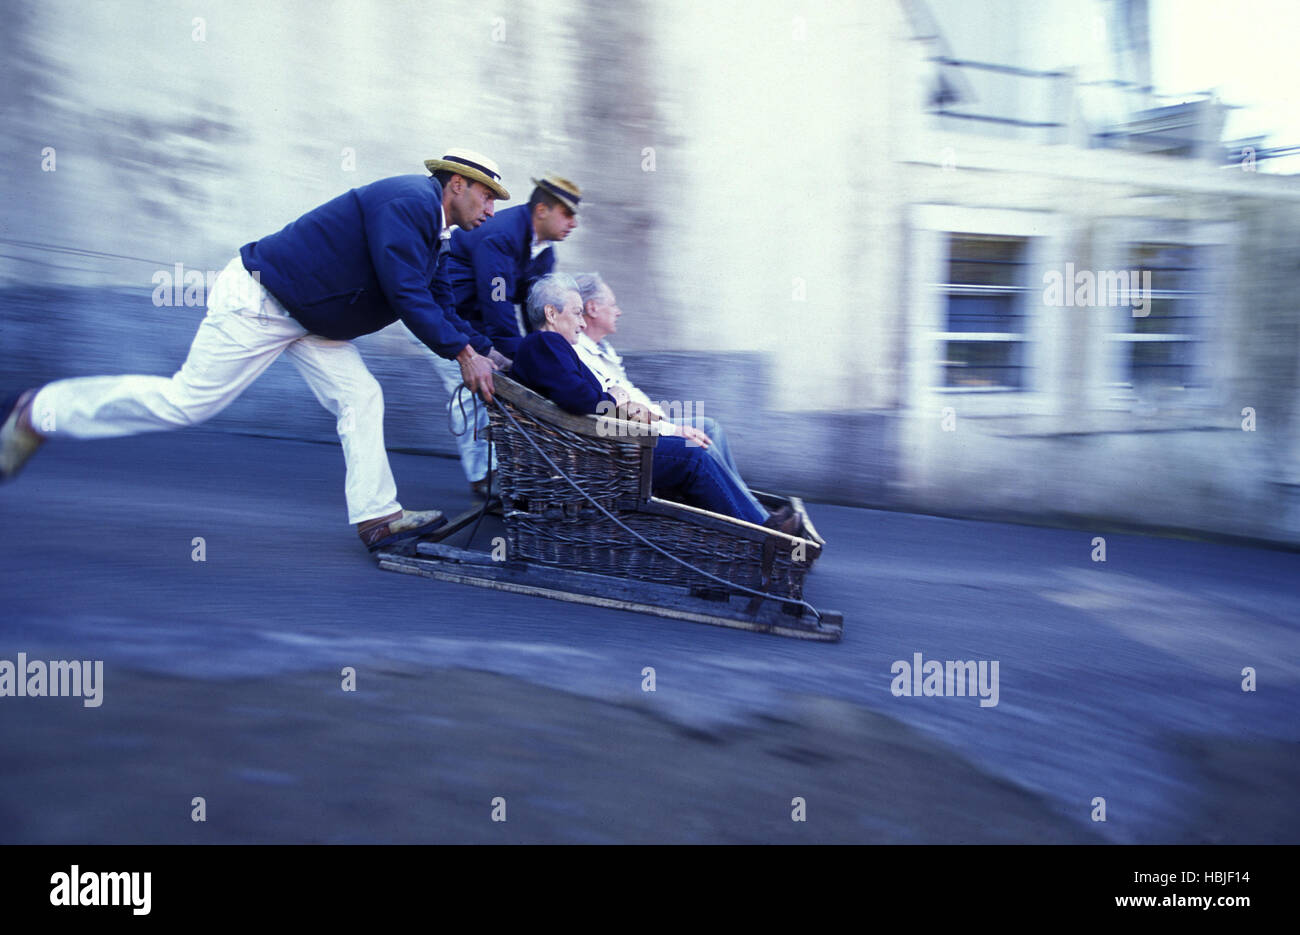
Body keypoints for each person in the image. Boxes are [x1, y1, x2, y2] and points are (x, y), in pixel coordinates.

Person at [0, 149, 511, 552]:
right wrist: (462, 355)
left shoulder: (435, 232)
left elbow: (441, 298)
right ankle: (38, 412)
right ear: (457, 184)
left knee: (361, 395)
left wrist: (490, 353)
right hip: (260, 301)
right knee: (187, 401)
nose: (491, 210)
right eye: (487, 196)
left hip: (310, 318)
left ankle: (378, 518)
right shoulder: (410, 203)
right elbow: (406, 291)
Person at [509, 274, 798, 532]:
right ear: (550, 313)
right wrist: (616, 400)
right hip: (601, 452)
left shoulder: (552, 348)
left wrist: (654, 421)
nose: (582, 322)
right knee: (694, 454)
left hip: (604, 441)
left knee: (699, 440)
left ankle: (757, 518)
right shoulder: (545, 344)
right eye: (576, 313)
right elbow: (579, 400)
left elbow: (591, 400)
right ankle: (762, 532)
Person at [414, 175, 581, 500]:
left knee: (501, 387)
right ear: (542, 210)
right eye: (567, 213)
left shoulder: (544, 251)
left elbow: (539, 311)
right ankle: (482, 478)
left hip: (475, 322)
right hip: (442, 319)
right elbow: (499, 307)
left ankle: (511, 471)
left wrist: (549, 352)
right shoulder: (502, 235)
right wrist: (528, 359)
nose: (574, 223)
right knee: (473, 389)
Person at [569, 272, 767, 520]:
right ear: (593, 308)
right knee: (696, 447)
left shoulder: (602, 350)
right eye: (613, 304)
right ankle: (761, 525)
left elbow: (632, 396)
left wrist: (669, 425)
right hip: (624, 443)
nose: (619, 311)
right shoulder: (580, 354)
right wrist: (671, 429)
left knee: (709, 427)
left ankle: (748, 508)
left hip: (640, 431)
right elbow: (617, 413)